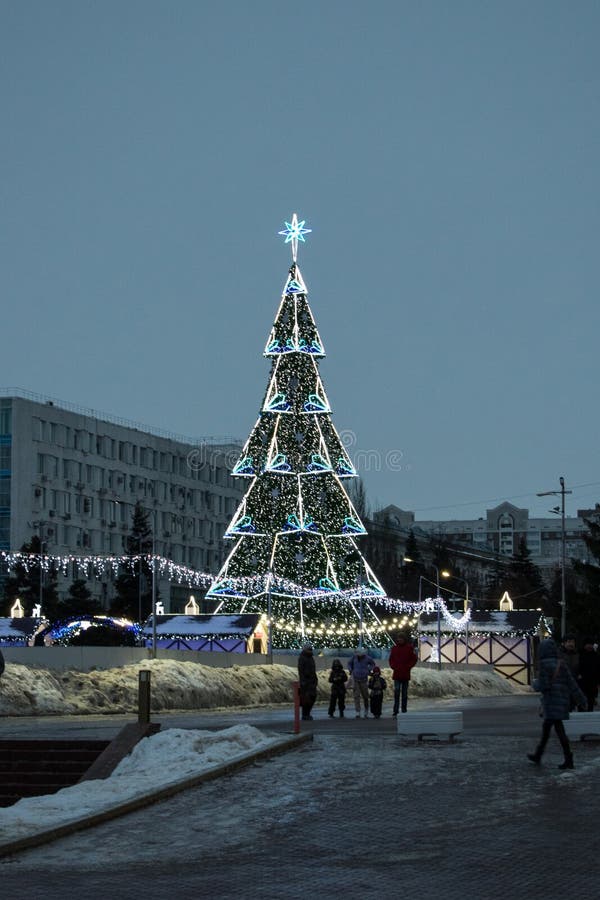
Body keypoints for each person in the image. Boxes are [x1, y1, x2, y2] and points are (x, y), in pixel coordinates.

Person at [528, 637, 587, 770]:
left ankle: (567, 758)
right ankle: (539, 754)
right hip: (562, 702)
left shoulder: (544, 664)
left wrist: (534, 685)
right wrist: (581, 700)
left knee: (558, 731)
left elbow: (543, 685)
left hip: (551, 703)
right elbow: (572, 683)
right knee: (548, 729)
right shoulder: (561, 663)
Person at [389, 632, 417, 715]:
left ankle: (404, 710)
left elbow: (414, 659)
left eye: (401, 638)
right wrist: (393, 666)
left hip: (405, 673)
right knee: (397, 692)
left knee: (404, 694)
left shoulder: (409, 648)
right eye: (399, 638)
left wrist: (409, 666)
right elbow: (391, 659)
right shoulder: (394, 648)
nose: (400, 640)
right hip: (397, 673)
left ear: (404, 639)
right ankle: (396, 710)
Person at [348, 647, 375, 718]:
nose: (359, 656)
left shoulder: (367, 658)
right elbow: (349, 663)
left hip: (364, 679)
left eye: (360, 655)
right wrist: (351, 670)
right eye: (358, 655)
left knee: (365, 696)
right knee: (356, 696)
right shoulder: (354, 657)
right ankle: (357, 711)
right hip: (356, 679)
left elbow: (373, 664)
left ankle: (366, 710)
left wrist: (368, 670)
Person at [578, 638, 600, 712]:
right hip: (582, 683)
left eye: (591, 644)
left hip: (593, 684)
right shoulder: (580, 654)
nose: (589, 646)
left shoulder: (596, 655)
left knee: (590, 704)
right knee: (581, 704)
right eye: (588, 644)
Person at [297, 643, 318, 721]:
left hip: (312, 680)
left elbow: (313, 670)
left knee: (312, 697)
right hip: (306, 681)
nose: (310, 651)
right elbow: (301, 670)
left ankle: (307, 713)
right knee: (306, 698)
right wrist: (303, 680)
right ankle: (305, 714)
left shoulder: (311, 658)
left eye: (310, 649)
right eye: (309, 649)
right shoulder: (302, 658)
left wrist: (315, 679)